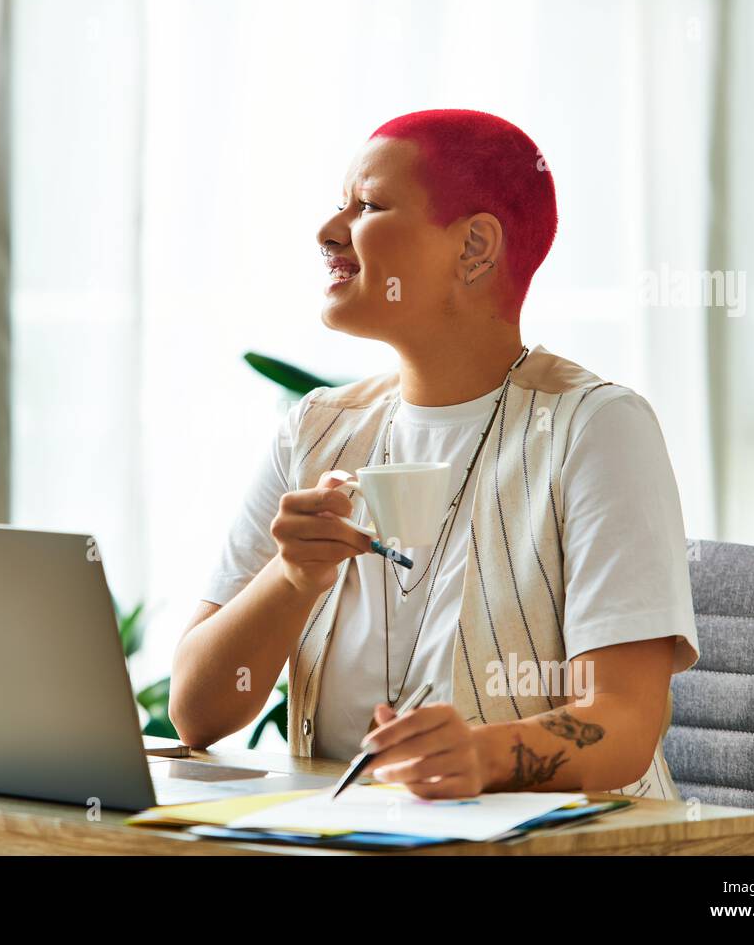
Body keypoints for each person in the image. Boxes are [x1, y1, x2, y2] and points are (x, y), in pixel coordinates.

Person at [169, 109, 699, 799]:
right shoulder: (316, 429)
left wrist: (480, 756)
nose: (329, 233)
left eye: (367, 206)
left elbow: (624, 723)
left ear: (475, 248)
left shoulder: (594, 427)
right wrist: (293, 576)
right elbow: (198, 714)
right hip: (349, 841)